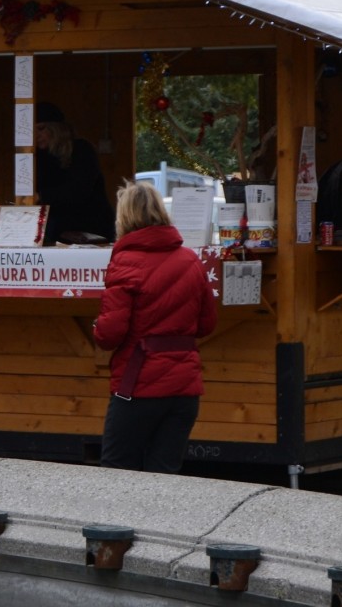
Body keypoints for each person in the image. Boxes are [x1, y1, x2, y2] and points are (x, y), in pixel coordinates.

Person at [92, 181, 218, 473]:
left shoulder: (125, 262)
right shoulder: (191, 260)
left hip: (138, 384)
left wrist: (97, 327)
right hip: (184, 389)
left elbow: (110, 335)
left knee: (116, 471)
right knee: (165, 474)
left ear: (124, 217)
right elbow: (206, 324)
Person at [34, 101, 115, 244]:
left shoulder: (81, 150)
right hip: (57, 231)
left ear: (56, 129)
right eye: (33, 130)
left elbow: (79, 190)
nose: (36, 135)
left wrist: (41, 196)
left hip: (91, 228)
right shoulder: (38, 157)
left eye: (41, 129)